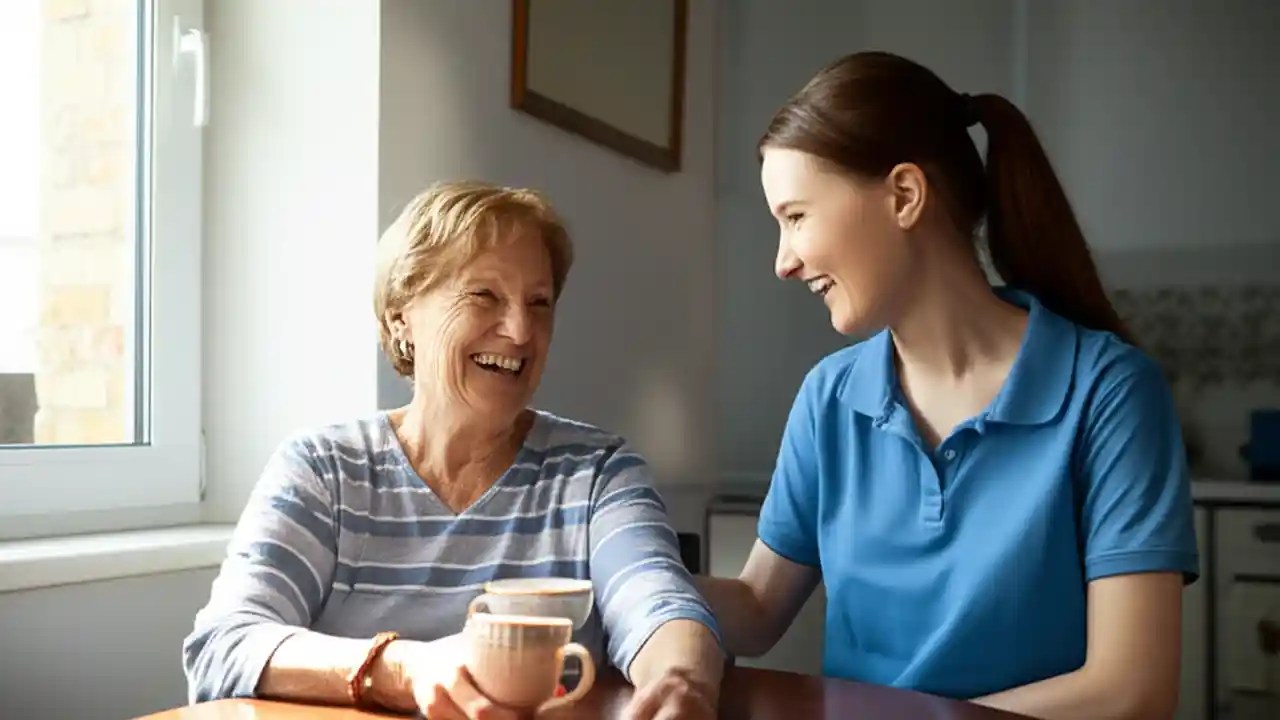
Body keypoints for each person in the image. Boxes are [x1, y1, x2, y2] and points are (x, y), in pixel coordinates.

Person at [696, 51, 1197, 719]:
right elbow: (757, 610)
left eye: (796, 217)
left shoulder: (1109, 393)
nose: (784, 262)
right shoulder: (829, 397)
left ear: (904, 195)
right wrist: (605, 570)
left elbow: (1130, 692)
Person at [184, 181, 723, 720]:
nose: (519, 330)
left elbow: (658, 605)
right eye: (484, 295)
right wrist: (401, 668)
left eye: (539, 303)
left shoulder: (598, 471)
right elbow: (223, 646)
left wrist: (682, 680)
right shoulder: (323, 469)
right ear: (402, 315)